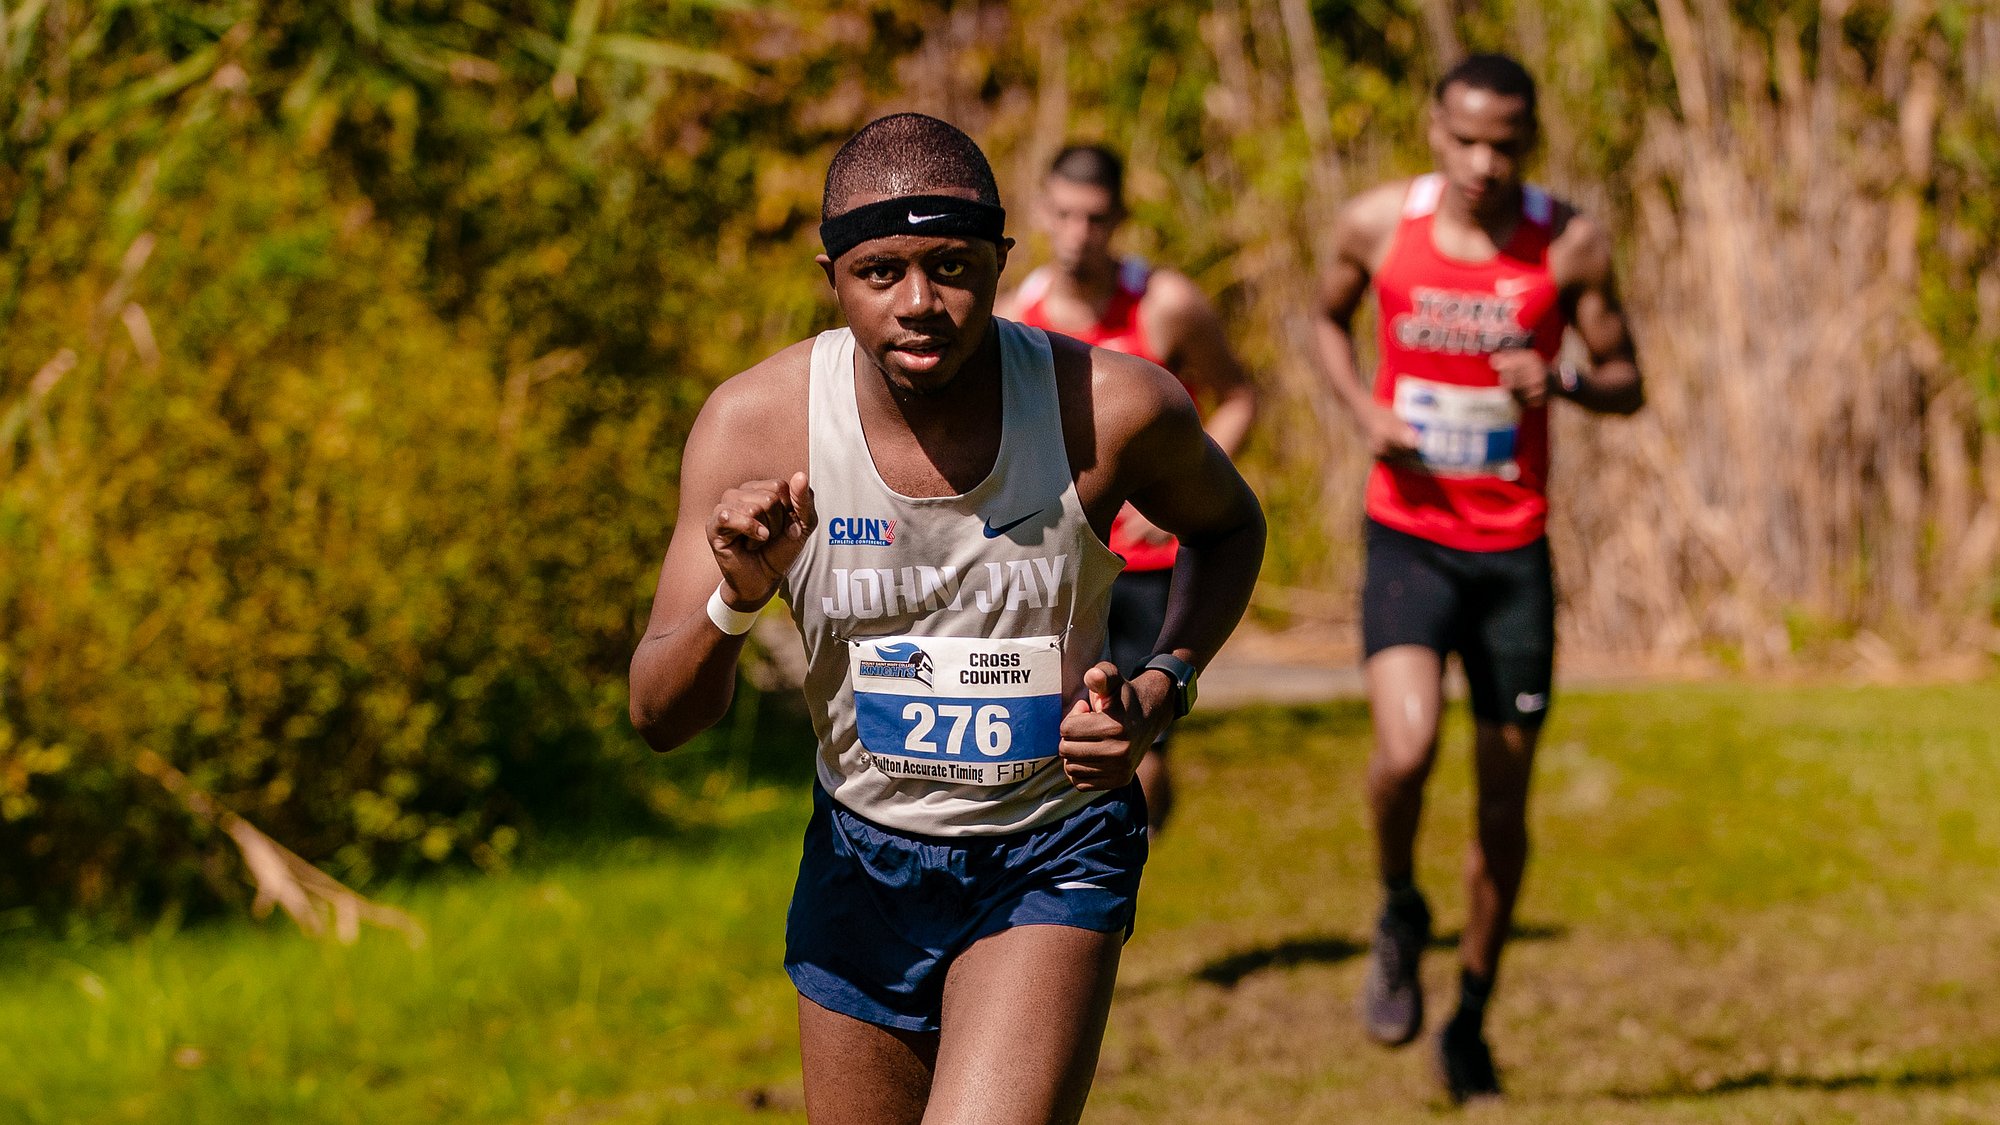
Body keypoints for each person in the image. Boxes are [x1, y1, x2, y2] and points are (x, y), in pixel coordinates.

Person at [629, 113, 1265, 1125]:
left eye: (952, 266)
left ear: (1001, 263)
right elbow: (659, 714)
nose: (920, 302)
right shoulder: (755, 424)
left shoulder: (1106, 407)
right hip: (859, 856)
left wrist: (1161, 685)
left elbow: (1229, 529)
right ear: (829, 277)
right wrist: (736, 598)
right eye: (881, 271)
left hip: (1046, 849)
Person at [1311, 54, 1644, 1103]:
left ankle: (1469, 1020)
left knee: (1501, 807)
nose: (1483, 162)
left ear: (1528, 140)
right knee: (1403, 749)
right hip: (1406, 534)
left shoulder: (1569, 241)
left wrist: (1564, 381)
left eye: (1504, 143)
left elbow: (1629, 382)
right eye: (1465, 139)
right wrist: (1363, 411)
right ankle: (1399, 903)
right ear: (1433, 129)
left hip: (1511, 554)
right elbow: (1321, 317)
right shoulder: (1376, 225)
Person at [997, 143, 1259, 836]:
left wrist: (1176, 490)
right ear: (1042, 211)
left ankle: (1125, 862)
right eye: (1064, 214)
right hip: (1054, 565)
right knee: (1056, 738)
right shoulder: (1012, 316)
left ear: (1119, 218)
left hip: (1145, 567)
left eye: (1096, 218)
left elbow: (1238, 398)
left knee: (1138, 741)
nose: (1079, 233)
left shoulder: (1165, 304)